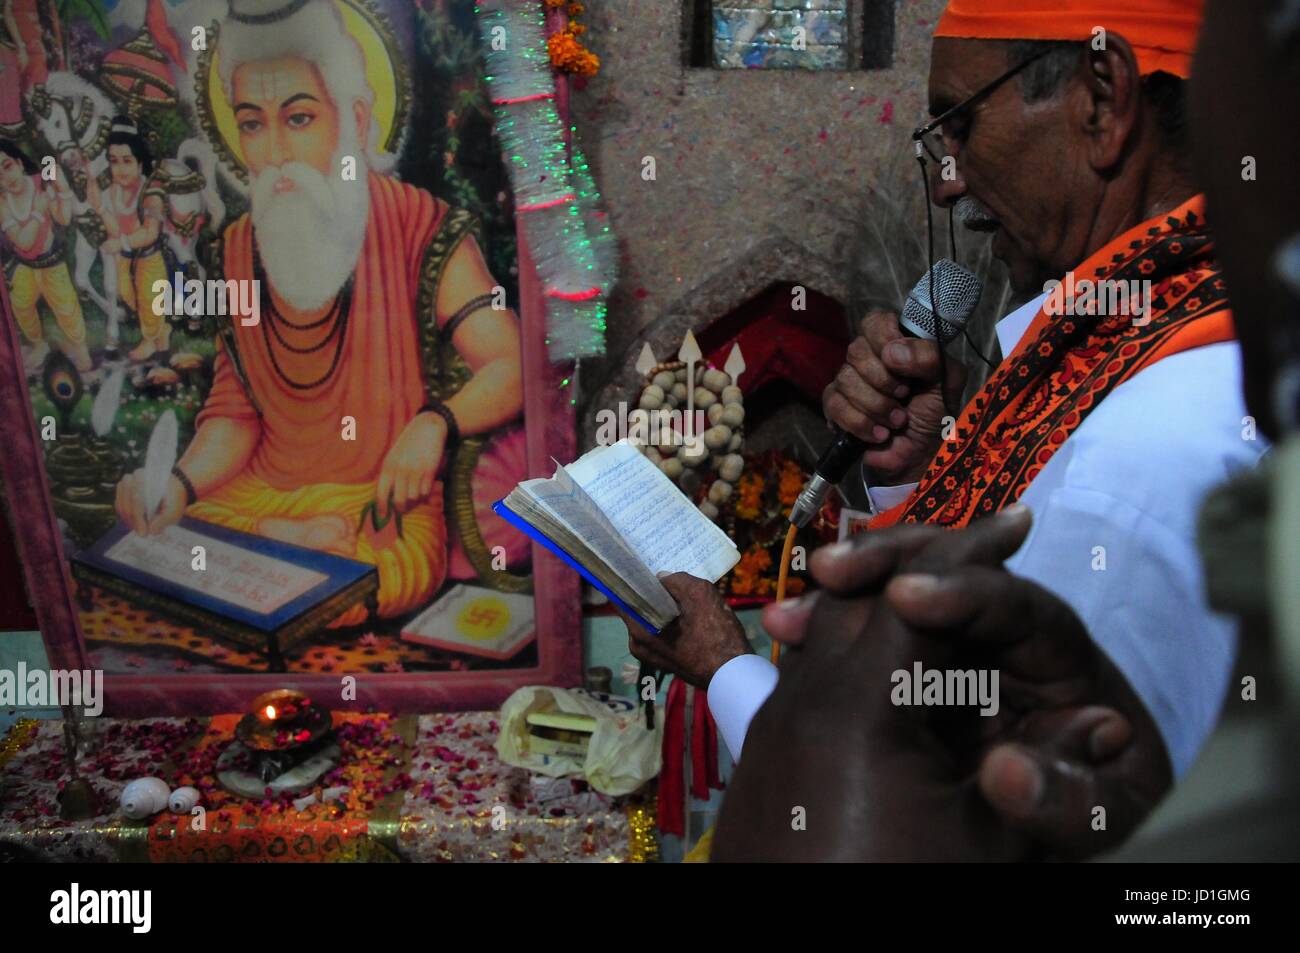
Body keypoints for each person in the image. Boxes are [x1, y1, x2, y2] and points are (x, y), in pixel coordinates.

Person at [625, 0, 1262, 802]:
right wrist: (926, 468)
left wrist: (723, 666)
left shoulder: (1145, 447)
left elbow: (930, 811)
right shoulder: (1148, 343)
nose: (949, 181)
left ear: (1101, 99)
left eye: (958, 124)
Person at [113, 0, 524, 624]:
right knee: (166, 544)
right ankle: (281, 541)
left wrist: (432, 424)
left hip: (374, 503)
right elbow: (236, 410)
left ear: (356, 120)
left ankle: (280, 550)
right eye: (252, 125)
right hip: (257, 495)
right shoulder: (238, 247)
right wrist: (179, 486)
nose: (275, 152)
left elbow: (510, 363)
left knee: (392, 574)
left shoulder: (421, 226)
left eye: (299, 118)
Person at [0, 138, 91, 373]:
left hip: (52, 263)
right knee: (21, 304)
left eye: (7, 166)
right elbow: (23, 241)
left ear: (19, 164)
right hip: (25, 265)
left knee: (66, 307)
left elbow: (64, 218)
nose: (5, 176)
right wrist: (39, 214)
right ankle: (38, 344)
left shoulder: (41, 182)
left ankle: (80, 348)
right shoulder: (1, 203)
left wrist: (63, 191)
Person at [96, 117, 172, 362]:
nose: (120, 169)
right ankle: (163, 333)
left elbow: (150, 232)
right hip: (125, 260)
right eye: (114, 161)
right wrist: (102, 211)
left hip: (150, 259)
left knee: (150, 299)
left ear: (140, 165)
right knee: (129, 297)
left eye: (127, 161)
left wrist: (122, 243)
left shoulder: (151, 193)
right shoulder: (110, 192)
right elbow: (113, 228)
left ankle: (150, 340)